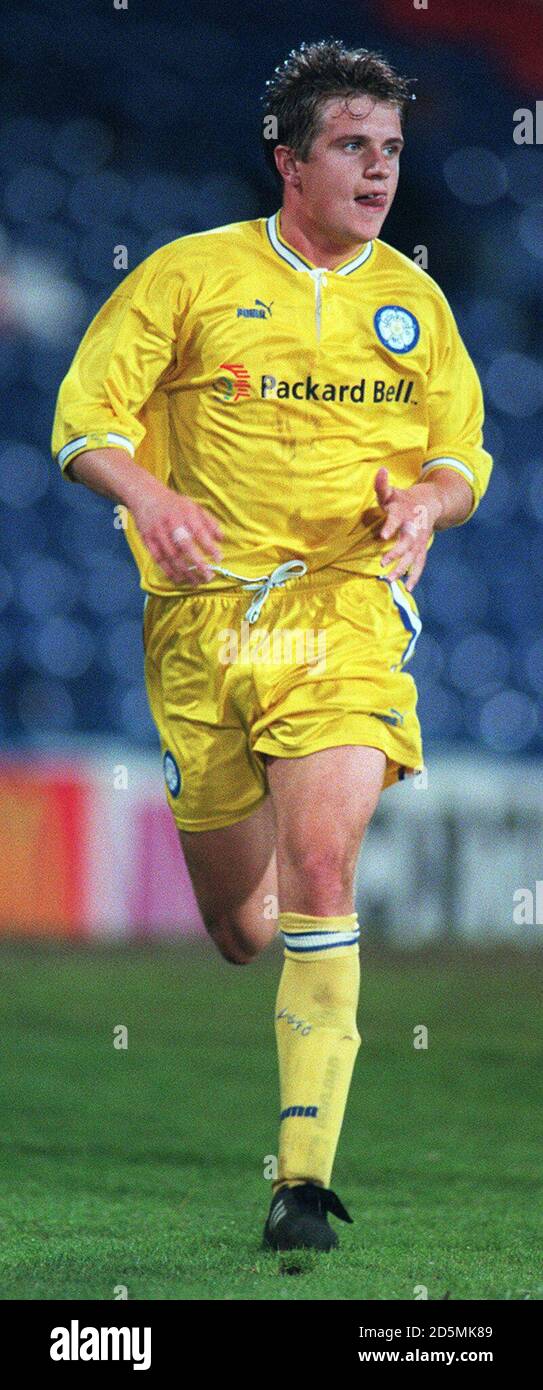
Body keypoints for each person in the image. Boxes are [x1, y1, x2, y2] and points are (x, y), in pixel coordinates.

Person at [52, 40, 493, 1252]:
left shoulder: (416, 303)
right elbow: (83, 420)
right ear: (289, 160)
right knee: (243, 928)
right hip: (202, 628)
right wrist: (151, 497)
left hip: (343, 613)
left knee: (320, 873)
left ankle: (302, 1183)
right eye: (353, 146)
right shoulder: (191, 277)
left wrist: (426, 504)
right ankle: (256, 880)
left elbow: (463, 454)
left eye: (392, 149)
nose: (379, 170)